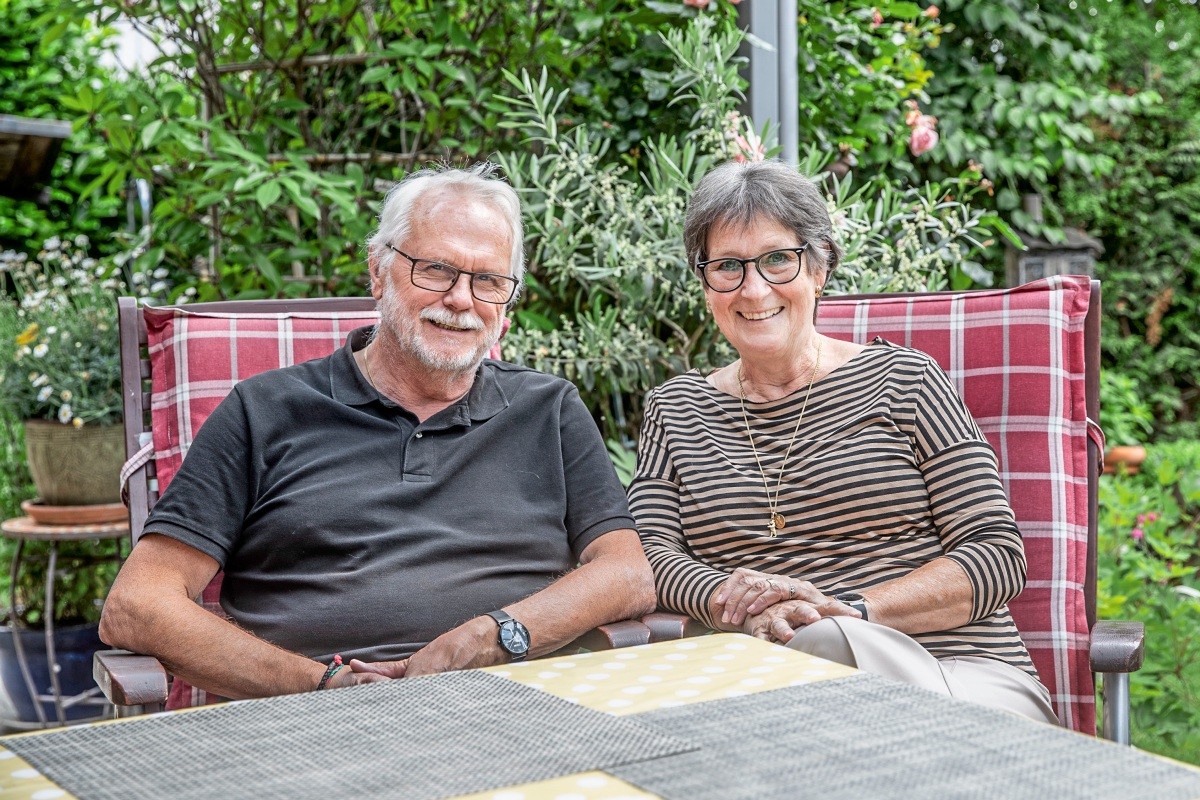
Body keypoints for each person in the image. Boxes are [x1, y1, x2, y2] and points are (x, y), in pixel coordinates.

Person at [100, 163, 655, 699]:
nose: (461, 300)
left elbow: (628, 572)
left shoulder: (549, 410)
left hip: (514, 698)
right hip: (305, 722)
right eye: (436, 269)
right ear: (377, 270)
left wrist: (492, 636)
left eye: (488, 280)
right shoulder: (264, 410)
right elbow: (138, 604)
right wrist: (320, 687)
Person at [627, 159, 1058, 724]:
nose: (753, 289)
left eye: (779, 259)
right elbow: (646, 558)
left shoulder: (907, 381)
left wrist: (849, 615)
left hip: (964, 673)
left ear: (820, 267)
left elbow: (995, 555)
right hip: (777, 687)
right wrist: (731, 599)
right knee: (811, 667)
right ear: (705, 282)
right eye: (727, 266)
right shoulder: (675, 411)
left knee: (830, 647)